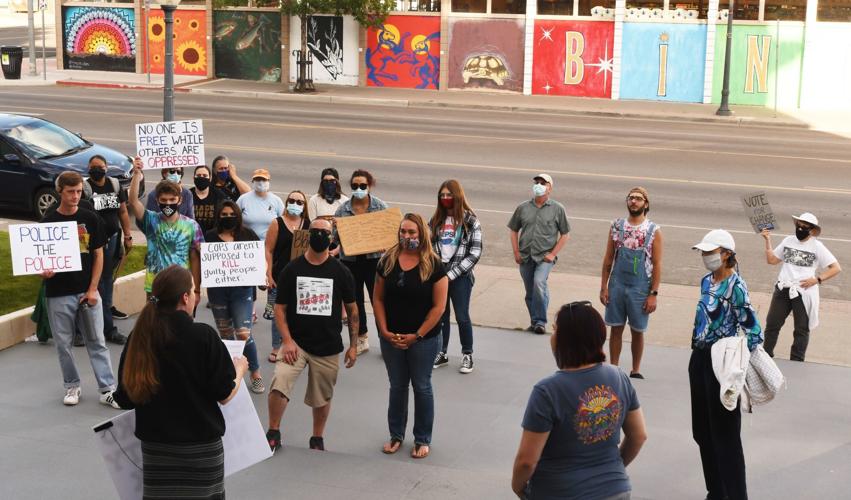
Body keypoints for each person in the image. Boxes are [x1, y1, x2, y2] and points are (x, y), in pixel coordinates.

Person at [113, 265, 248, 500]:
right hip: (201, 453)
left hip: (157, 454)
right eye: (195, 290)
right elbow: (224, 393)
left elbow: (125, 396)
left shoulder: (140, 337)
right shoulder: (203, 336)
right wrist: (239, 370)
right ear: (185, 297)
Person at [512, 302, 647, 500]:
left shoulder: (547, 391)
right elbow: (639, 435)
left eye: (555, 330)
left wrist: (518, 487)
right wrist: (612, 471)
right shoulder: (618, 377)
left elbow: (526, 461)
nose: (552, 336)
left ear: (565, 340)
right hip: (615, 490)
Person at [265, 219, 359, 452]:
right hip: (295, 343)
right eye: (315, 231)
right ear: (308, 236)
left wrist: (354, 345)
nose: (319, 236)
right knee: (279, 383)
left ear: (331, 238)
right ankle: (273, 431)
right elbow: (280, 309)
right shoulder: (292, 269)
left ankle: (317, 437)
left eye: (324, 233)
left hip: (327, 346)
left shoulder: (341, 272)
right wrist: (286, 341)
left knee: (323, 396)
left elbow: (353, 310)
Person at [691, 229, 763, 500]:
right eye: (704, 252)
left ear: (726, 254)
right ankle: (716, 492)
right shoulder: (705, 281)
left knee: (726, 437)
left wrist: (737, 360)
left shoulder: (736, 287)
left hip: (722, 365)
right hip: (698, 358)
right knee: (702, 431)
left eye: (711, 252)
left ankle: (735, 495)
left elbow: (754, 330)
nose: (706, 256)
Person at [41, 171, 120, 408]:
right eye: (70, 192)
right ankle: (72, 386)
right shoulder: (47, 222)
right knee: (63, 343)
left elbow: (98, 254)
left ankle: (107, 389)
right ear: (60, 192)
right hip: (58, 292)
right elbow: (41, 259)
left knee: (97, 340)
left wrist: (93, 289)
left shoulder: (91, 218)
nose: (76, 196)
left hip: (88, 292)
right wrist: (42, 272)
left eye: (78, 191)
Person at [373, 213, 448, 459]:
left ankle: (422, 438)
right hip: (391, 337)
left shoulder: (434, 265)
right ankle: (396, 435)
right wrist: (384, 331)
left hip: (423, 339)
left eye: (412, 233)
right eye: (403, 232)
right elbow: (378, 298)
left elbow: (439, 307)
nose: (406, 237)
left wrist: (417, 335)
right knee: (397, 386)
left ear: (421, 234)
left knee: (422, 385)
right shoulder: (387, 261)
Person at [599, 187, 663, 379]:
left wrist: (653, 294)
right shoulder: (616, 226)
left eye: (638, 199)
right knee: (616, 327)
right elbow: (608, 258)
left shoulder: (653, 231)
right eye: (631, 198)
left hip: (640, 287)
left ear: (646, 204)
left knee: (637, 329)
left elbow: (658, 264)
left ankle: (635, 369)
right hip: (617, 284)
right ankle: (614, 367)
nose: (634, 201)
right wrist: (604, 286)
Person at [760, 213, 841, 362]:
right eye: (799, 225)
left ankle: (797, 363)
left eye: (805, 227)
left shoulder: (817, 246)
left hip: (803, 292)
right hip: (783, 289)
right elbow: (772, 260)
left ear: (811, 230)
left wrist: (817, 279)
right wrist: (767, 241)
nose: (800, 229)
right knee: (772, 325)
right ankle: (765, 358)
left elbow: (835, 268)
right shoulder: (788, 241)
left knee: (801, 330)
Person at [205, 201, 265, 393]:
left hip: (242, 291)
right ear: (218, 217)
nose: (228, 217)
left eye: (231, 213)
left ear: (237, 215)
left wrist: (263, 275)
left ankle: (255, 372)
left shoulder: (248, 235)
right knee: (226, 334)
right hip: (218, 292)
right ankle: (231, 371)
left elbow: (260, 258)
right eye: (223, 214)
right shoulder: (211, 236)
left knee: (243, 334)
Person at [128, 158, 204, 301]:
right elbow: (133, 201)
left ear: (179, 201)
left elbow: (195, 258)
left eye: (172, 200)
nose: (168, 203)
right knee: (155, 323)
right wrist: (137, 174)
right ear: (157, 201)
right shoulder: (150, 221)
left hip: (182, 287)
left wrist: (197, 289)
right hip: (155, 286)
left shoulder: (191, 225)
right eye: (163, 201)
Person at [429, 180, 482, 374]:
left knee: (462, 317)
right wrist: (437, 272)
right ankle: (441, 353)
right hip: (439, 274)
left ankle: (467, 354)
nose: (445, 199)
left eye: (449, 195)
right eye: (442, 196)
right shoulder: (436, 220)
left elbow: (475, 253)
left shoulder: (470, 221)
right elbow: (428, 246)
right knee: (440, 316)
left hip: (461, 277)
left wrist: (451, 274)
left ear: (457, 196)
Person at [333, 169, 388, 355]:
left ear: (369, 185)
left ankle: (385, 337)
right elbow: (336, 240)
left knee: (378, 300)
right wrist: (336, 229)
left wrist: (384, 245)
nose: (359, 188)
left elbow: (390, 234)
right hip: (350, 262)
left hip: (374, 261)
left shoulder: (380, 207)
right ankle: (362, 337)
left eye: (362, 185)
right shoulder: (343, 209)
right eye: (355, 185)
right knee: (355, 300)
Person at [508, 173, 570, 334]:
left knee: (539, 283)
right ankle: (535, 321)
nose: (539, 185)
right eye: (537, 182)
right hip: (526, 256)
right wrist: (516, 252)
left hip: (544, 257)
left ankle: (541, 322)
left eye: (543, 183)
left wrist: (553, 254)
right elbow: (514, 230)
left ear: (550, 188)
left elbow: (565, 234)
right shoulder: (523, 207)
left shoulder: (557, 209)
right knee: (531, 291)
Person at [82, 154, 132, 345]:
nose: (97, 170)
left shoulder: (115, 185)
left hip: (113, 238)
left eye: (100, 166)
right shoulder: (85, 189)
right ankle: (107, 326)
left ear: (106, 167)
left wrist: (127, 235)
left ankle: (108, 307)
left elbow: (123, 211)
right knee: (100, 281)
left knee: (108, 277)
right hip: (95, 243)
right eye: (93, 167)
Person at [265, 190, 311, 362]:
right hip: (279, 276)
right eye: (292, 200)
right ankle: (277, 346)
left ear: (304, 206)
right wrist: (268, 274)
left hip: (301, 278)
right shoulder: (277, 223)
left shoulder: (308, 224)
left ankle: (293, 343)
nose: (295, 204)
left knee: (298, 312)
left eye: (300, 202)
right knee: (279, 312)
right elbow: (268, 249)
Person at [236, 168, 284, 241]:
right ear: (253, 181)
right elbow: (235, 220)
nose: (261, 182)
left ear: (268, 181)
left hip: (269, 244)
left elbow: (283, 222)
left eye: (264, 180)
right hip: (247, 243)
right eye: (257, 179)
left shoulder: (276, 201)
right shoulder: (243, 199)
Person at [191, 165, 228, 233]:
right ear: (193, 178)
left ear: (210, 178)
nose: (201, 178)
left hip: (212, 238)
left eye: (205, 176)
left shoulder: (219, 196)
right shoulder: (188, 195)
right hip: (191, 236)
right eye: (198, 175)